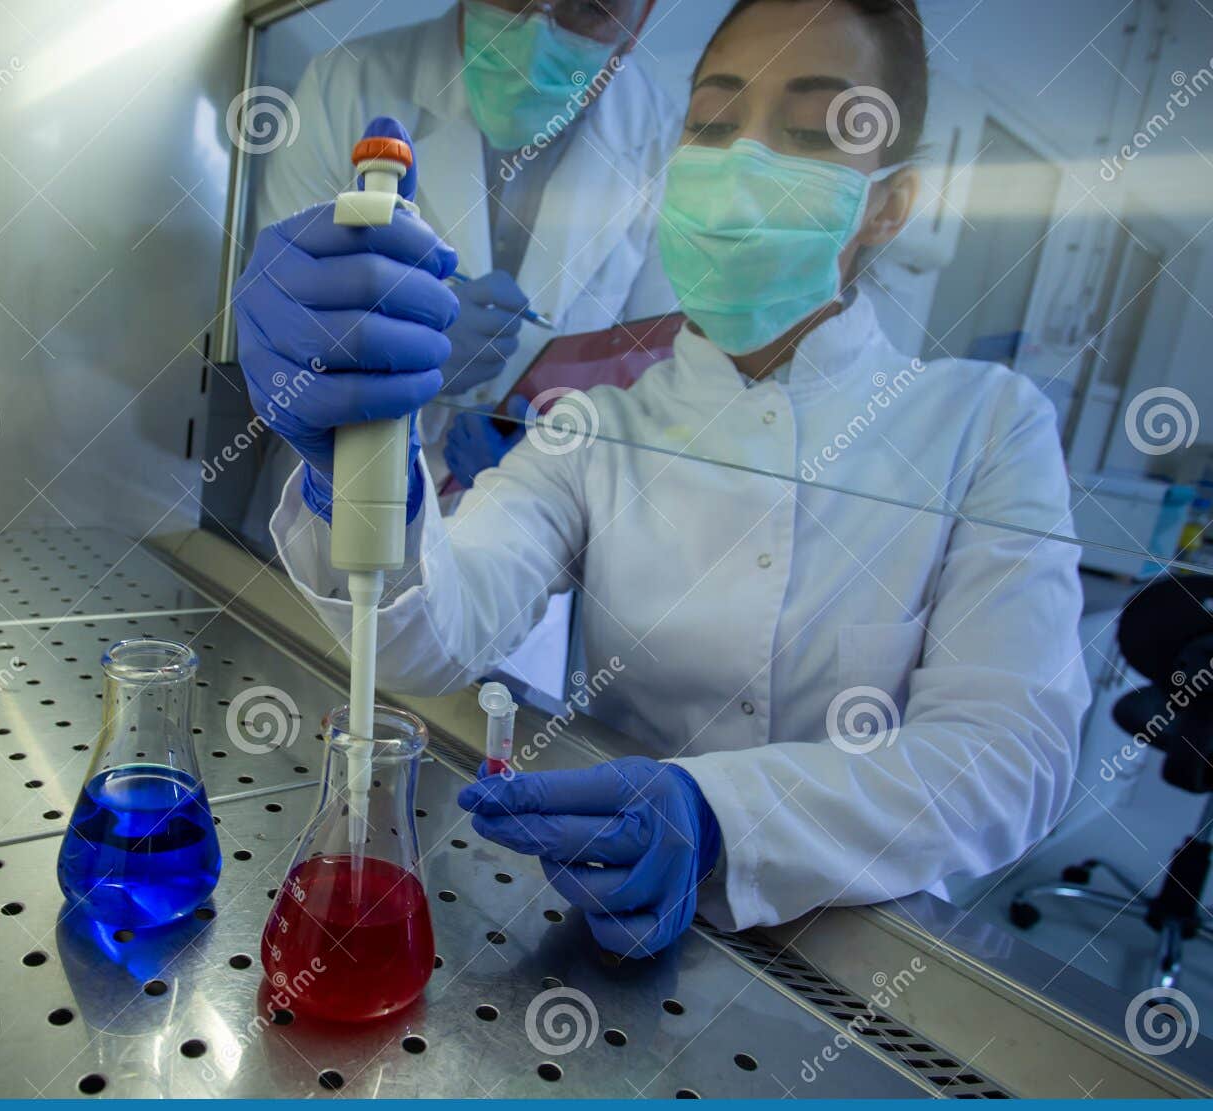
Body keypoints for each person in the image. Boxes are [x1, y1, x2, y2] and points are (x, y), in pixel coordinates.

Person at [233, 0, 1087, 956]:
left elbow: (1011, 757)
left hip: (865, 960)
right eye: (714, 126)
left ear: (889, 204)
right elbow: (440, 634)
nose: (741, 165)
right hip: (589, 921)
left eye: (812, 132)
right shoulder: (600, 425)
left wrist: (718, 815)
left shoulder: (985, 424)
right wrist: (351, 461)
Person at [240, 0, 674, 552]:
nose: (536, 33)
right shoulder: (349, 85)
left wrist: (559, 455)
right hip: (327, 514)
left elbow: (657, 388)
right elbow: (281, 334)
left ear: (638, 21)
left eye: (587, 6)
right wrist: (401, 355)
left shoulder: (666, 137)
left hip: (534, 535)